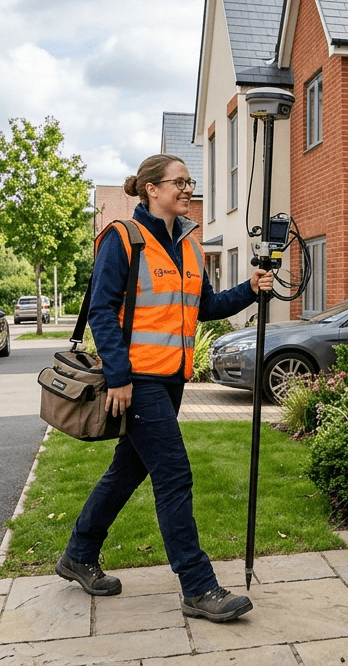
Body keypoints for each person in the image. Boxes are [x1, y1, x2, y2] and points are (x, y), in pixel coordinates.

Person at [55, 154, 273, 623]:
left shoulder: (190, 243)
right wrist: (119, 376)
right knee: (174, 475)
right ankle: (198, 587)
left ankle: (78, 553)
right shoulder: (123, 239)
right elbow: (101, 311)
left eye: (190, 181)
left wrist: (250, 289)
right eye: (179, 181)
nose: (187, 188)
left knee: (128, 472)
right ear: (151, 188)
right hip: (138, 381)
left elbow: (206, 305)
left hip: (172, 379)